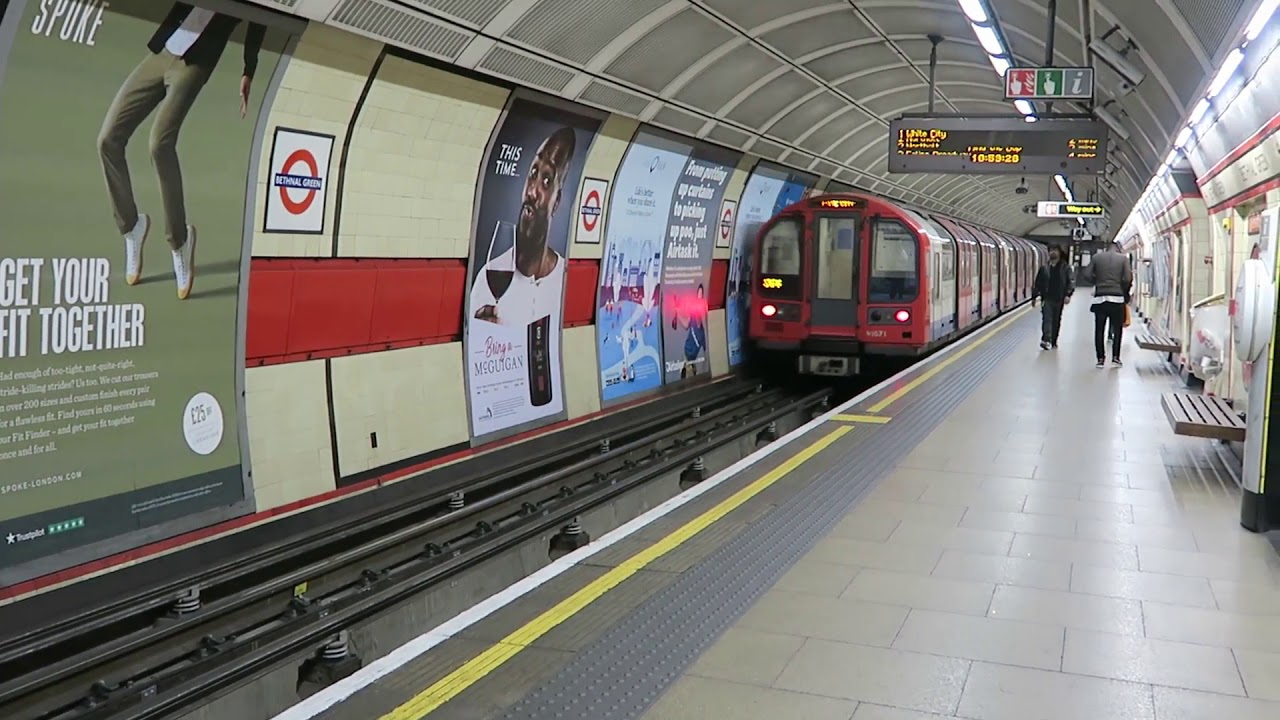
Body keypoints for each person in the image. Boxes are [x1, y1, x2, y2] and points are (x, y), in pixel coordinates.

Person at [98, 3, 265, 300]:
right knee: (108, 139)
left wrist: (248, 69)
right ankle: (131, 227)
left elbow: (259, 19)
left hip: (195, 64)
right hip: (163, 51)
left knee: (159, 144)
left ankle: (179, 242)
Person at [471, 127, 577, 326]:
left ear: (556, 202)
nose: (532, 191)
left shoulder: (566, 281)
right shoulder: (486, 281)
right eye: (533, 173)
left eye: (546, 181)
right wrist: (479, 329)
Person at [1080, 240, 1133, 368]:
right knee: (1118, 330)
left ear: (1107, 248)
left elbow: (1086, 273)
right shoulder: (1123, 259)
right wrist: (1122, 289)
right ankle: (1115, 358)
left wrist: (1097, 282)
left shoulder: (1097, 257)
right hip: (1117, 299)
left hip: (1100, 299)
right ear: (1118, 249)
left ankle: (1100, 359)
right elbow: (1128, 278)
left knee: (1099, 330)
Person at [1031, 244, 1074, 350]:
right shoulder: (1044, 268)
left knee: (1056, 320)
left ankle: (1054, 340)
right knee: (1046, 319)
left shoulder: (1065, 268)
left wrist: (1068, 294)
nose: (1052, 252)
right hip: (1047, 298)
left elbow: (1071, 281)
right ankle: (1046, 339)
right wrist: (1034, 296)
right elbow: (1038, 283)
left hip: (1059, 298)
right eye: (1051, 250)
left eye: (1055, 250)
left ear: (1059, 252)